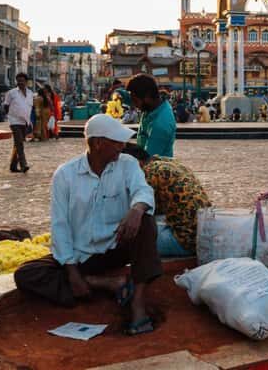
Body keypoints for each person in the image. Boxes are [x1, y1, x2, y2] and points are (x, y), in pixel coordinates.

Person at [13, 115, 161, 336]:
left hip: (117, 246)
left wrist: (136, 209)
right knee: (26, 274)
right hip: (82, 256)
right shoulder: (65, 175)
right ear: (98, 143)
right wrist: (73, 272)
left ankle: (137, 302)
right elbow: (60, 225)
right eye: (117, 142)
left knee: (147, 222)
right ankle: (102, 283)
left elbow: (143, 191)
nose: (122, 147)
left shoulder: (127, 164)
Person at [122, 145, 211, 257]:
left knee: (123, 238)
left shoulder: (149, 173)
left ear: (136, 163)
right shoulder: (170, 162)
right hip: (204, 235)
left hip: (186, 242)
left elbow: (143, 210)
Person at [128, 74, 176, 158]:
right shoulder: (150, 108)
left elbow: (147, 159)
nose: (134, 105)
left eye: (135, 101)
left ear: (147, 97)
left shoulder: (160, 125)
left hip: (153, 166)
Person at [4, 73, 34, 173]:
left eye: (22, 80)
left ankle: (13, 166)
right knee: (20, 143)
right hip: (14, 121)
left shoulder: (30, 93)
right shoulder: (11, 93)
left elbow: (30, 107)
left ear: (26, 81)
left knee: (17, 143)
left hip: (25, 121)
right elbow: (6, 106)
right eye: (18, 80)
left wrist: (30, 122)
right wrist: (11, 115)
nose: (20, 82)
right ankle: (23, 164)